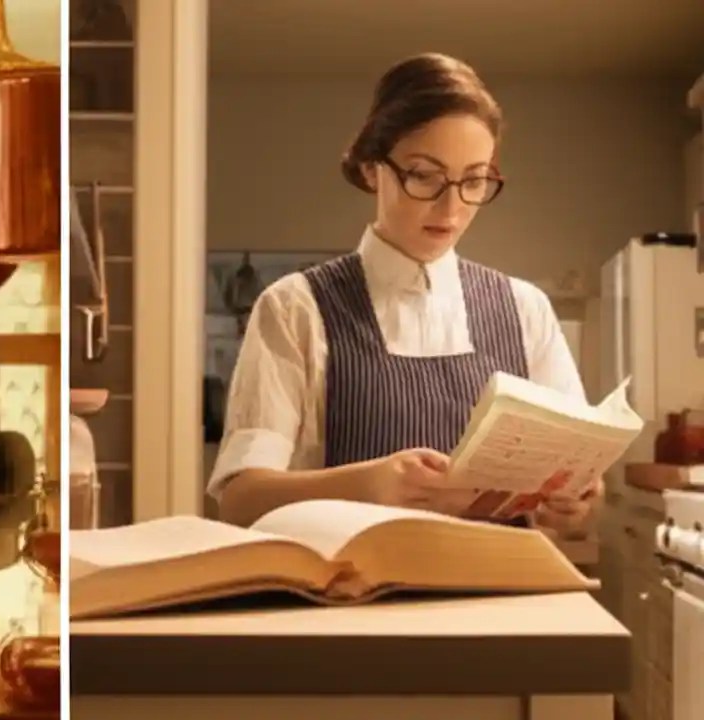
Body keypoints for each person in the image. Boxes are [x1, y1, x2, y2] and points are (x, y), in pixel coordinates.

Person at [207, 53, 601, 535]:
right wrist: (364, 485)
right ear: (373, 168)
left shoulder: (526, 310)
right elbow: (240, 500)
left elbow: (576, 486)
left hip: (500, 598)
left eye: (473, 180)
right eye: (423, 176)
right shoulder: (295, 308)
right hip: (347, 599)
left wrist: (574, 501)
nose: (451, 207)